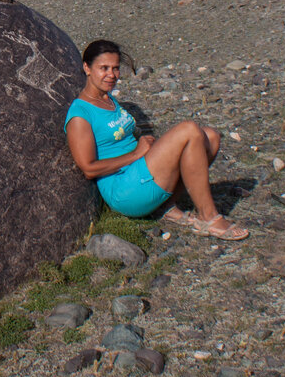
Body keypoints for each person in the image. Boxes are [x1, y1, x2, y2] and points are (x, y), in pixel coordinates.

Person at [65, 39, 248, 240]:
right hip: (124, 190)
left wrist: (147, 148)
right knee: (188, 130)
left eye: (115, 68)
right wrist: (136, 153)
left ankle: (167, 207)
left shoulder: (108, 99)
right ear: (87, 68)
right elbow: (88, 168)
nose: (112, 75)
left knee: (210, 137)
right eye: (104, 68)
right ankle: (208, 218)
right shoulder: (80, 113)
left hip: (140, 171)